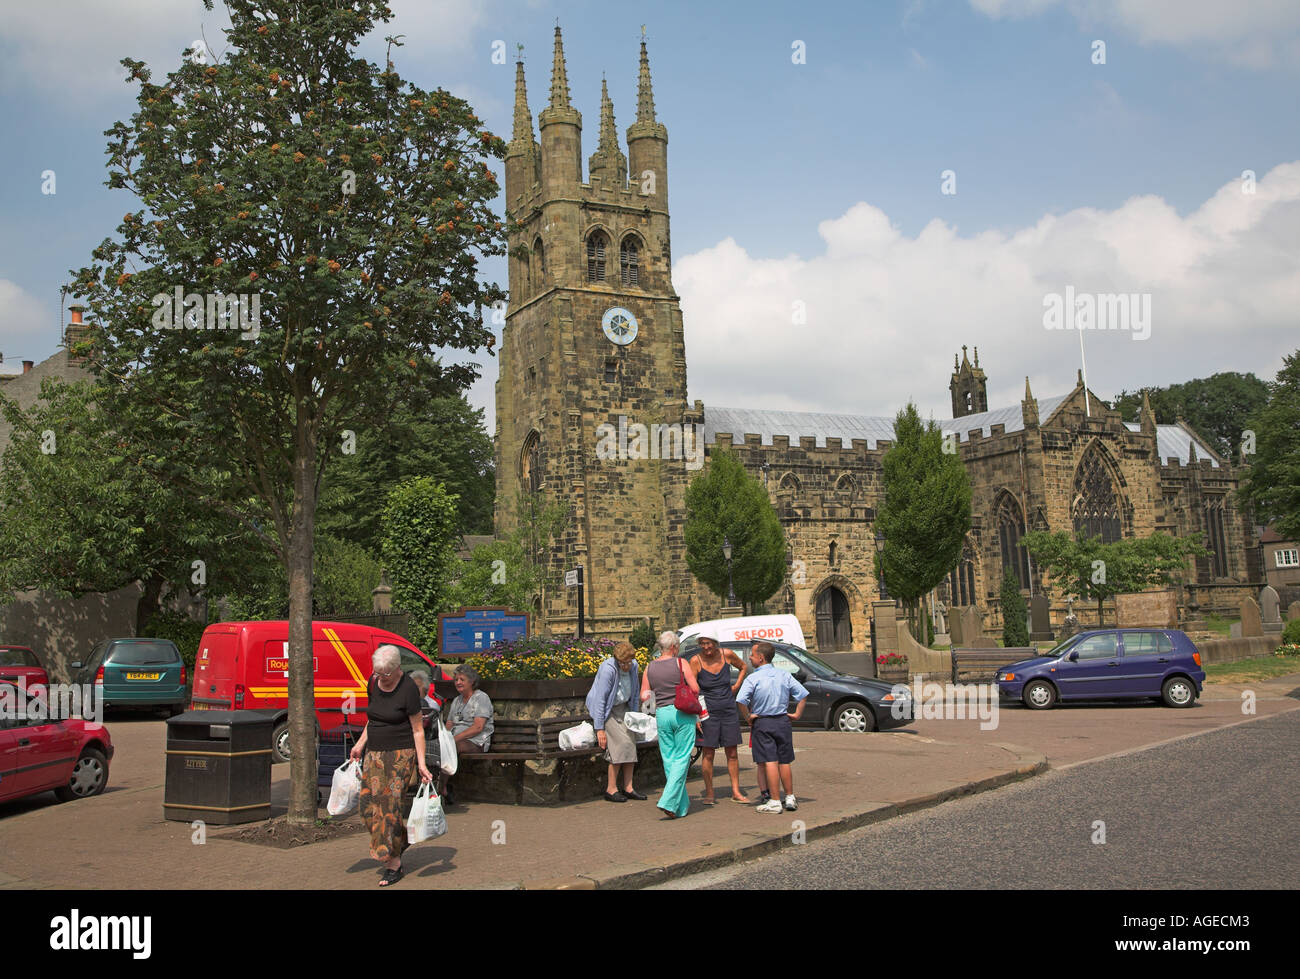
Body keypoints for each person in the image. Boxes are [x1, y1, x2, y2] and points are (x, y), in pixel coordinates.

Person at [348, 644, 433, 886]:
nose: (381, 678)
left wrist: (422, 763)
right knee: (366, 808)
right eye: (377, 673)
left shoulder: (408, 690)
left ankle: (393, 864)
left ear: (397, 669)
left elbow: (418, 730)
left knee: (388, 809)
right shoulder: (373, 682)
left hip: (399, 754)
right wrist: (360, 744)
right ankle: (402, 839)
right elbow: (372, 718)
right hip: (373, 753)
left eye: (385, 674)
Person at [735, 641, 808, 813]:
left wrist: (748, 718)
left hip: (763, 721)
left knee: (770, 761)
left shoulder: (753, 678)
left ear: (760, 658)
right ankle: (789, 797)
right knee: (784, 761)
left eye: (752, 655)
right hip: (782, 721)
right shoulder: (784, 675)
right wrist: (797, 714)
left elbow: (741, 701)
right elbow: (803, 695)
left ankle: (774, 800)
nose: (750, 658)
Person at [640, 631, 700, 819]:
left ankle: (679, 807)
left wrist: (658, 693)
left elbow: (644, 695)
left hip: (662, 714)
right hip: (682, 713)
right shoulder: (681, 663)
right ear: (674, 647)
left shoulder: (650, 667)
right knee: (682, 757)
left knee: (669, 758)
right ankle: (668, 800)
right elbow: (696, 689)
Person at [688, 629, 750, 804]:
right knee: (708, 752)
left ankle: (736, 791)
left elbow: (744, 667)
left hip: (728, 709)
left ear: (716, 643)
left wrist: (737, 685)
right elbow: (693, 691)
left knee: (732, 751)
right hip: (708, 711)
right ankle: (709, 793)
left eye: (708, 643)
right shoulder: (696, 661)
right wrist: (697, 716)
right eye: (702, 644)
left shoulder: (727, 654)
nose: (706, 647)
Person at [585, 640, 646, 802]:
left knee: (630, 743)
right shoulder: (608, 669)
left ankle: (629, 787)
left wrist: (633, 716)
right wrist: (599, 729)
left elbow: (634, 693)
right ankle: (611, 789)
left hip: (623, 708)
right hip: (607, 711)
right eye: (622, 663)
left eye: (628, 662)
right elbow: (600, 700)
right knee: (620, 744)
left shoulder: (633, 666)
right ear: (616, 659)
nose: (626, 666)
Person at [445, 665, 494, 754]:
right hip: (456, 740)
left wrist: (453, 740)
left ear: (471, 682)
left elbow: (478, 727)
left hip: (475, 742)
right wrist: (445, 739)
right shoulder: (457, 700)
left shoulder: (481, 698)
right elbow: (449, 723)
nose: (458, 682)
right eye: (456, 680)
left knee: (452, 748)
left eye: (462, 679)